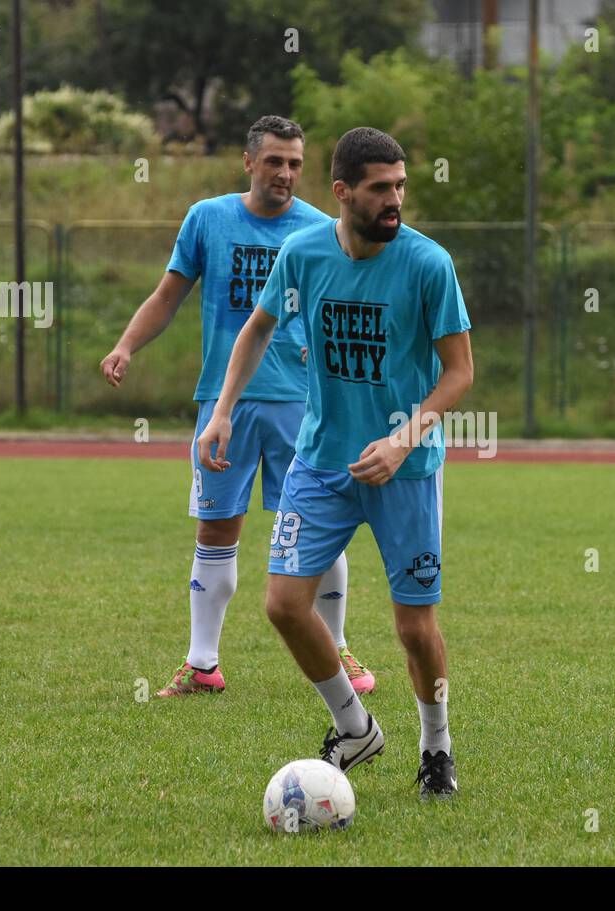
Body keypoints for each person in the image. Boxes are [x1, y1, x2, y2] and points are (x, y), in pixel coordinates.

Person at [197, 127, 473, 797]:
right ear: (343, 192)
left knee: (414, 626)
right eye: (381, 188)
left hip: (404, 471)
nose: (395, 200)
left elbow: (459, 371)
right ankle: (355, 728)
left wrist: (404, 438)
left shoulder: (427, 263)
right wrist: (223, 407)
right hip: (321, 462)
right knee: (285, 604)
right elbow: (258, 326)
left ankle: (436, 745)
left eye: (401, 186)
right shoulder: (303, 252)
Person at [102, 116, 375, 698]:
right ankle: (202, 664)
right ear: (248, 162)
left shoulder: (323, 230)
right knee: (216, 526)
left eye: (296, 164)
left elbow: (348, 308)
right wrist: (126, 344)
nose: (285, 173)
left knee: (317, 527)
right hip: (223, 405)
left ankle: (339, 650)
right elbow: (167, 295)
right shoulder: (208, 219)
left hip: (304, 405)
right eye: (275, 161)